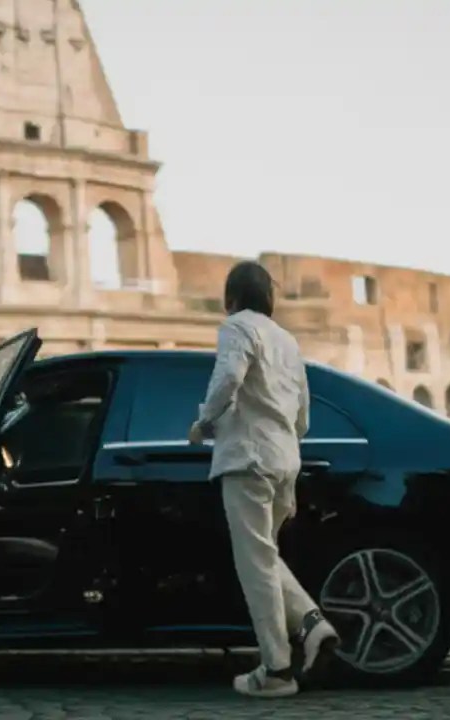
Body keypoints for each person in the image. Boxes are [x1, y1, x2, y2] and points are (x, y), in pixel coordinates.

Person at [188, 260, 339, 698]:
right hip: (284, 460)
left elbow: (229, 377)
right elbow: (304, 415)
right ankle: (313, 625)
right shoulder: (287, 341)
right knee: (265, 557)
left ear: (230, 298)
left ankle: (276, 670)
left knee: (254, 566)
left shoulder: (237, 327)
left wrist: (204, 422)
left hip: (248, 459)